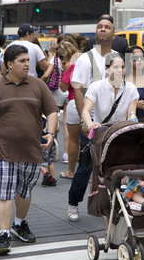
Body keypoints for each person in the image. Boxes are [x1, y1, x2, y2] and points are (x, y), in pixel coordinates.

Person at [0, 44, 58, 255]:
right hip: (2, 149)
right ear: (9, 64)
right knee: (3, 192)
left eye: (28, 60)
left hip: (31, 149)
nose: (28, 64)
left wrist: (51, 132)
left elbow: (52, 111)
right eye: (22, 61)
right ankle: (3, 233)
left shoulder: (38, 85)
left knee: (24, 191)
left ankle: (19, 223)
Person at [67, 16, 116, 221]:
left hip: (113, 123)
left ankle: (115, 203)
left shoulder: (119, 57)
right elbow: (78, 91)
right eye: (99, 27)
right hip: (91, 122)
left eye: (107, 27)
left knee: (114, 164)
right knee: (86, 165)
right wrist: (84, 121)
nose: (102, 29)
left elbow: (124, 88)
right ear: (95, 33)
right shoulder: (85, 58)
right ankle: (73, 202)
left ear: (114, 34)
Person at [82, 52, 139, 132]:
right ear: (106, 69)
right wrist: (91, 125)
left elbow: (131, 114)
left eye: (122, 67)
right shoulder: (96, 87)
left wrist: (133, 122)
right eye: (115, 67)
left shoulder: (131, 88)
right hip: (100, 132)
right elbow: (86, 111)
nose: (119, 70)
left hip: (121, 134)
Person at [57, 40, 81, 179]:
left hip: (74, 102)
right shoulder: (84, 60)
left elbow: (63, 87)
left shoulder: (70, 66)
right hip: (90, 102)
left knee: (74, 139)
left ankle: (71, 171)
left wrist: (63, 70)